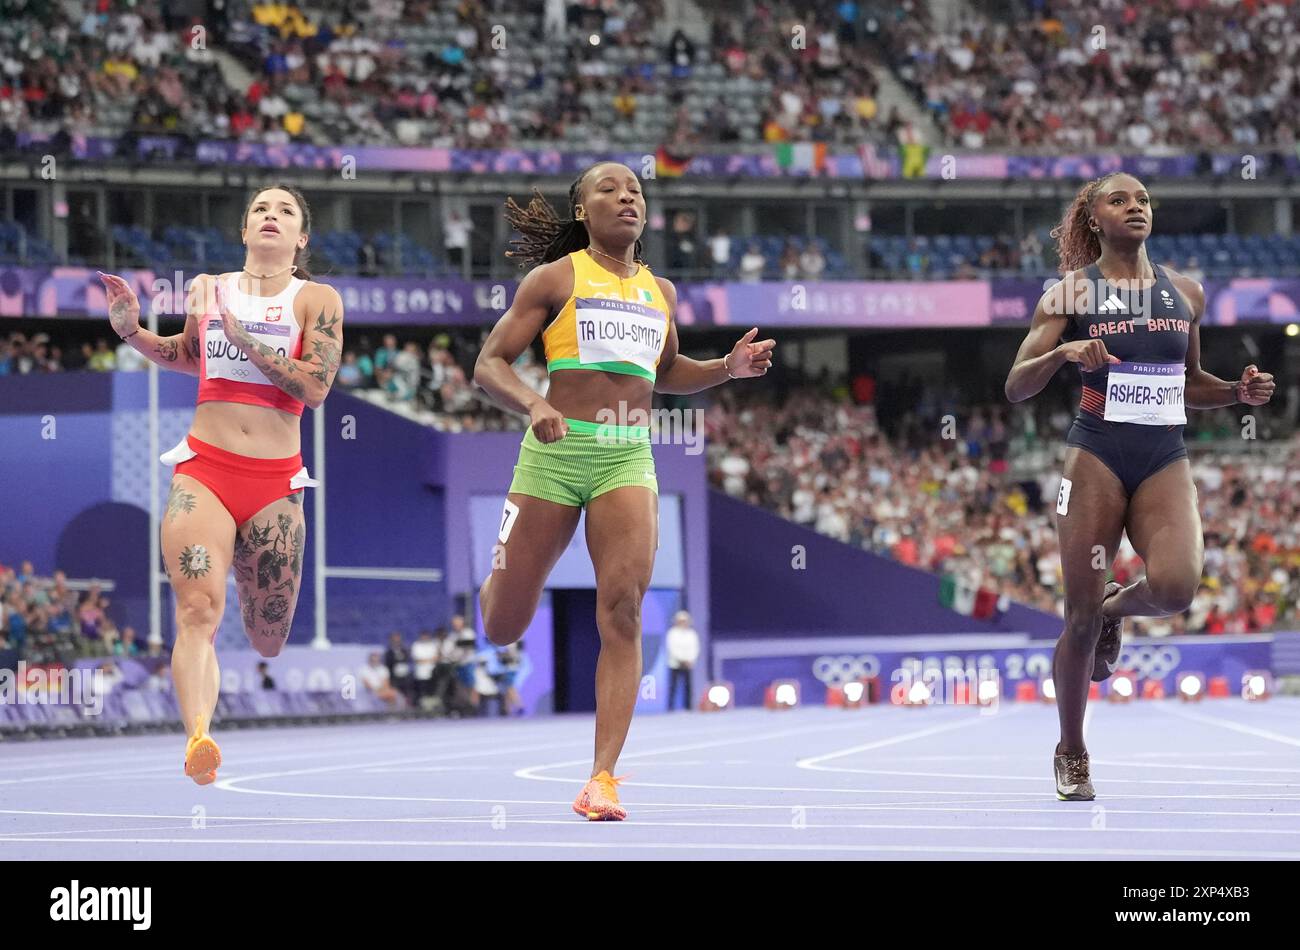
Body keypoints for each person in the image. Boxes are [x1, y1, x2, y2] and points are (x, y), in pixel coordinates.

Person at [473, 161, 775, 820]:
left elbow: (667, 372)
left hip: (625, 455)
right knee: (502, 625)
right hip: (554, 453)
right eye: (608, 189)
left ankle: (600, 778)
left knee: (623, 608)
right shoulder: (554, 278)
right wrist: (531, 403)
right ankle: (497, 581)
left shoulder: (659, 290)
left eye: (635, 189)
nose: (626, 196)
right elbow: (489, 363)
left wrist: (727, 367)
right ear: (583, 210)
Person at [1005, 173, 1274, 802]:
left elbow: (1190, 382)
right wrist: (1065, 353)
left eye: (1144, 199)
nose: (1136, 207)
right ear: (1094, 219)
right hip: (1095, 454)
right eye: (1119, 199)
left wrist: (1235, 391)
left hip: (1162, 456)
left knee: (1178, 586)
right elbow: (1017, 383)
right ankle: (1071, 750)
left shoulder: (1186, 292)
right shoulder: (1069, 293)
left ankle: (1113, 610)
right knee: (1074, 623)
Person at [97, 182, 344, 785]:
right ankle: (199, 738)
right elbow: (187, 354)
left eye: (284, 211)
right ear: (243, 230)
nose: (270, 215)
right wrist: (131, 332)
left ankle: (250, 606)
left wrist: (248, 342)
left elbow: (314, 387)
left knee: (267, 637)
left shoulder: (317, 299)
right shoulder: (208, 289)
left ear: (300, 238)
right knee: (196, 611)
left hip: (274, 482)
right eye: (260, 208)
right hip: (204, 470)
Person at [664, 610, 700, 711]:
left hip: (688, 664)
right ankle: (670, 708)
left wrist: (690, 660)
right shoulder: (672, 633)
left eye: (685, 621)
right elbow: (672, 648)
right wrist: (682, 660)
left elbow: (695, 648)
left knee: (688, 686)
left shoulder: (692, 634)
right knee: (673, 686)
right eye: (681, 621)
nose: (683, 623)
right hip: (675, 664)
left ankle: (689, 707)